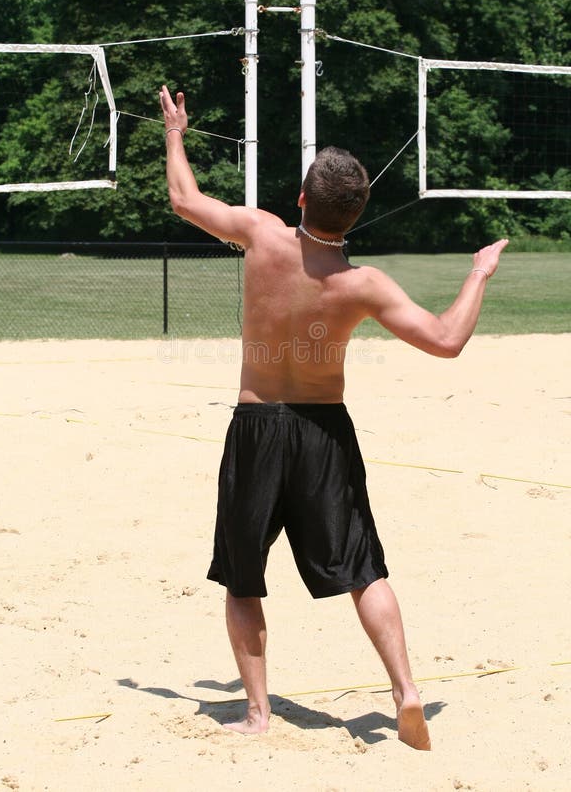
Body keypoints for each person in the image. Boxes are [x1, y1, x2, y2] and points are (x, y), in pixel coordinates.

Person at [159, 86, 508, 750]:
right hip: (325, 434)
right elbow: (447, 340)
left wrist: (176, 132)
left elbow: (184, 200)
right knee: (363, 568)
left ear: (300, 199)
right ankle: (405, 691)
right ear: (357, 212)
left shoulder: (261, 234)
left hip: (258, 427)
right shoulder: (363, 284)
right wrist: (479, 274)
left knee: (242, 578)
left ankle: (258, 713)